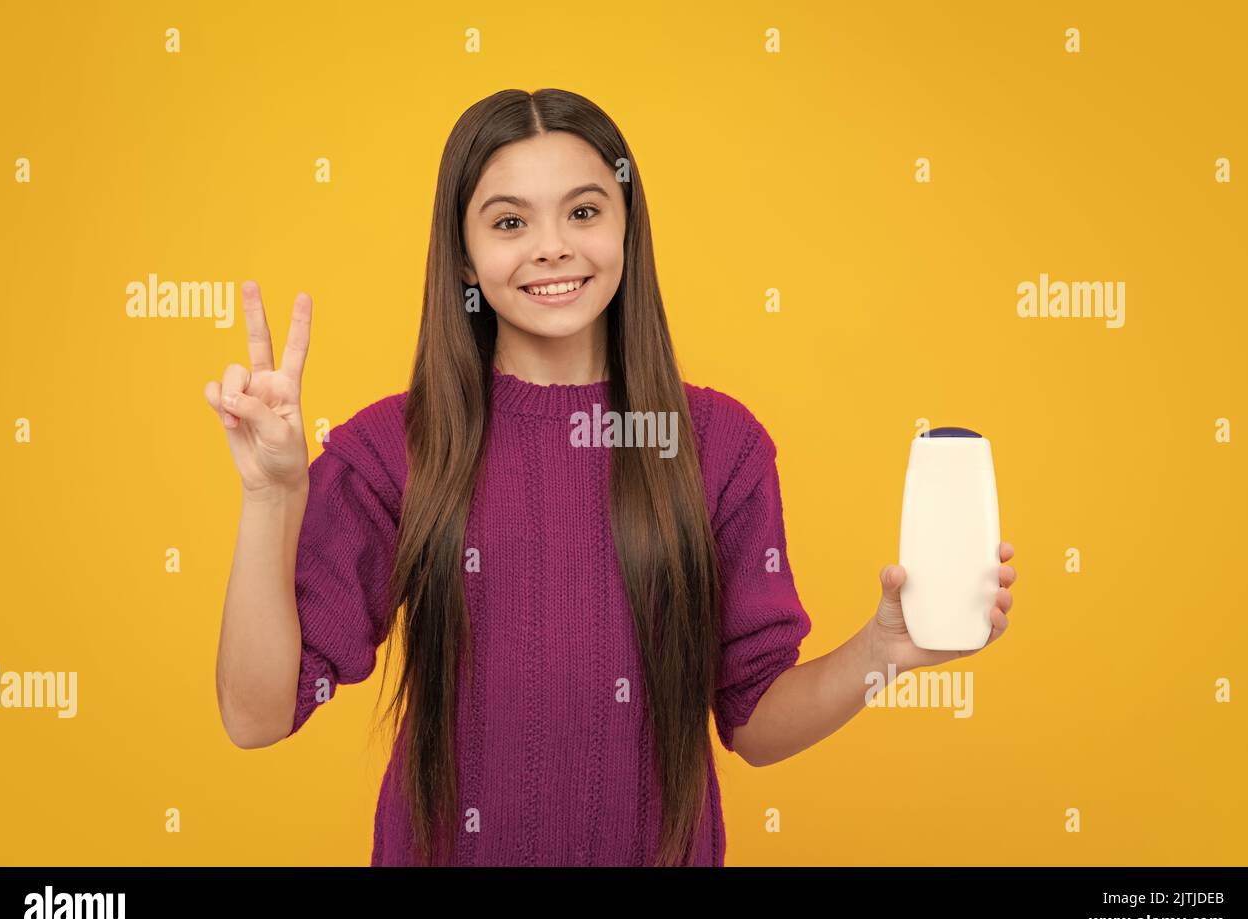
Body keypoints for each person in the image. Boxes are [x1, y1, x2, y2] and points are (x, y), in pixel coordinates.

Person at [205, 88, 1017, 867]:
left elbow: (756, 724)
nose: (552, 246)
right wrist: (271, 497)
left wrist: (882, 649)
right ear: (462, 253)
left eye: (584, 212)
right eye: (510, 221)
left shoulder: (719, 446)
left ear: (629, 227)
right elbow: (254, 717)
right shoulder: (395, 447)